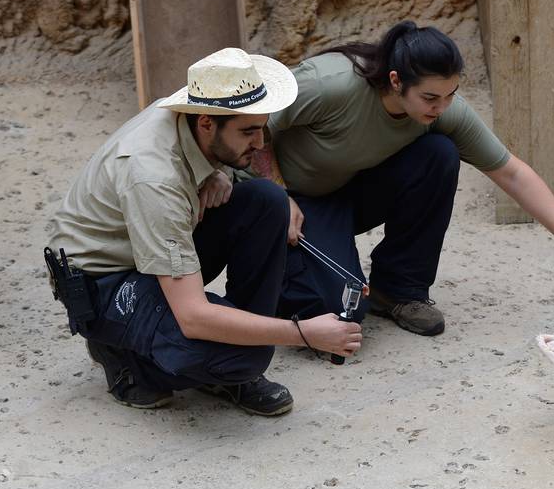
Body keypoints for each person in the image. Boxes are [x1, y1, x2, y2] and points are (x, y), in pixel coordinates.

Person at [46, 48, 362, 415]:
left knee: (266, 199)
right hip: (102, 282)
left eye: (262, 128)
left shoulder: (188, 117)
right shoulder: (154, 178)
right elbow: (193, 316)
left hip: (145, 247)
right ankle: (123, 354)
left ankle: (232, 352)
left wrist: (217, 173)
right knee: (246, 357)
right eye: (248, 132)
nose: (260, 144)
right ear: (208, 124)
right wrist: (302, 332)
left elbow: (203, 161)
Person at [258, 20, 554, 337]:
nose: (441, 107)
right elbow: (251, 125)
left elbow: (511, 172)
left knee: (439, 154)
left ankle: (398, 288)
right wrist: (276, 193)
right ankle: (271, 282)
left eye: (450, 95)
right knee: (340, 314)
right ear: (396, 81)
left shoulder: (441, 109)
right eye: (430, 97)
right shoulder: (330, 85)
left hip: (350, 191)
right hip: (293, 204)